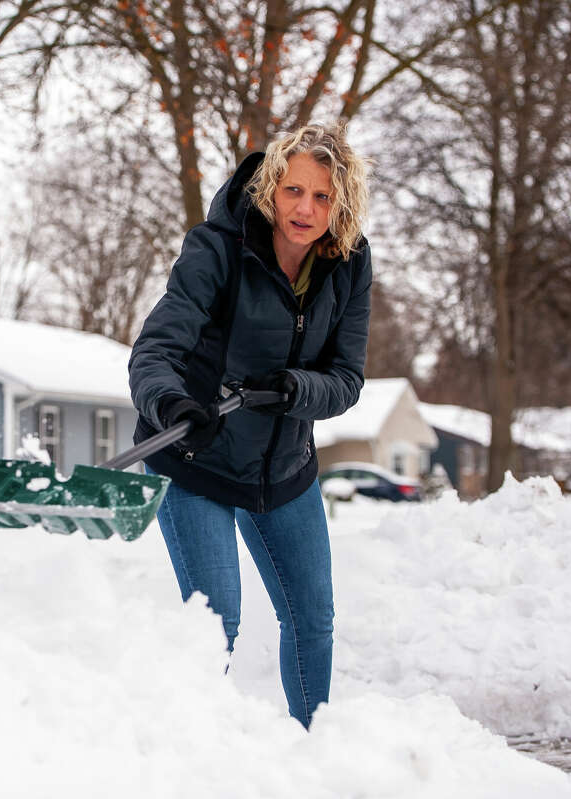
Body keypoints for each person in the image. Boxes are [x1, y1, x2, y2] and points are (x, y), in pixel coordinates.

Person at [128, 122, 372, 730]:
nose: (305, 209)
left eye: (322, 197)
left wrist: (292, 389)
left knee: (312, 619)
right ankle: (194, 754)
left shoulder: (349, 264)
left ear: (341, 204)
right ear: (270, 189)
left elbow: (345, 379)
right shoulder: (217, 249)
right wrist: (174, 406)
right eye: (294, 191)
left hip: (283, 468)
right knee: (217, 625)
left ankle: (314, 750)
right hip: (195, 459)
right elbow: (156, 351)